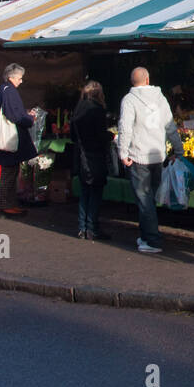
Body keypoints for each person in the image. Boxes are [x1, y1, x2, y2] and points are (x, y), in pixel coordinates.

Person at [116, 67, 180, 254]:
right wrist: (178, 149)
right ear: (148, 79)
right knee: (149, 198)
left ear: (132, 81)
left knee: (145, 201)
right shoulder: (160, 98)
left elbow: (125, 127)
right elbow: (170, 125)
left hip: (139, 155)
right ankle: (145, 236)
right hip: (158, 154)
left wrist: (123, 152)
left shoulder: (129, 100)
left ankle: (152, 240)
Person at [0, 63, 38, 217]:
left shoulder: (4, 90)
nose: (21, 81)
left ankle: (9, 203)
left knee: (10, 171)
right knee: (9, 172)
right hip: (11, 139)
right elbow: (15, 115)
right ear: (12, 77)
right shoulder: (9, 91)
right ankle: (6, 204)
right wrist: (30, 118)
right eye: (20, 78)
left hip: (8, 139)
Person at [70, 80, 112, 241]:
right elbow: (101, 135)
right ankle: (92, 227)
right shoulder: (98, 110)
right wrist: (110, 136)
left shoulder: (78, 109)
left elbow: (73, 136)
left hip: (81, 155)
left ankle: (82, 228)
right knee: (95, 192)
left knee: (85, 192)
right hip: (94, 155)